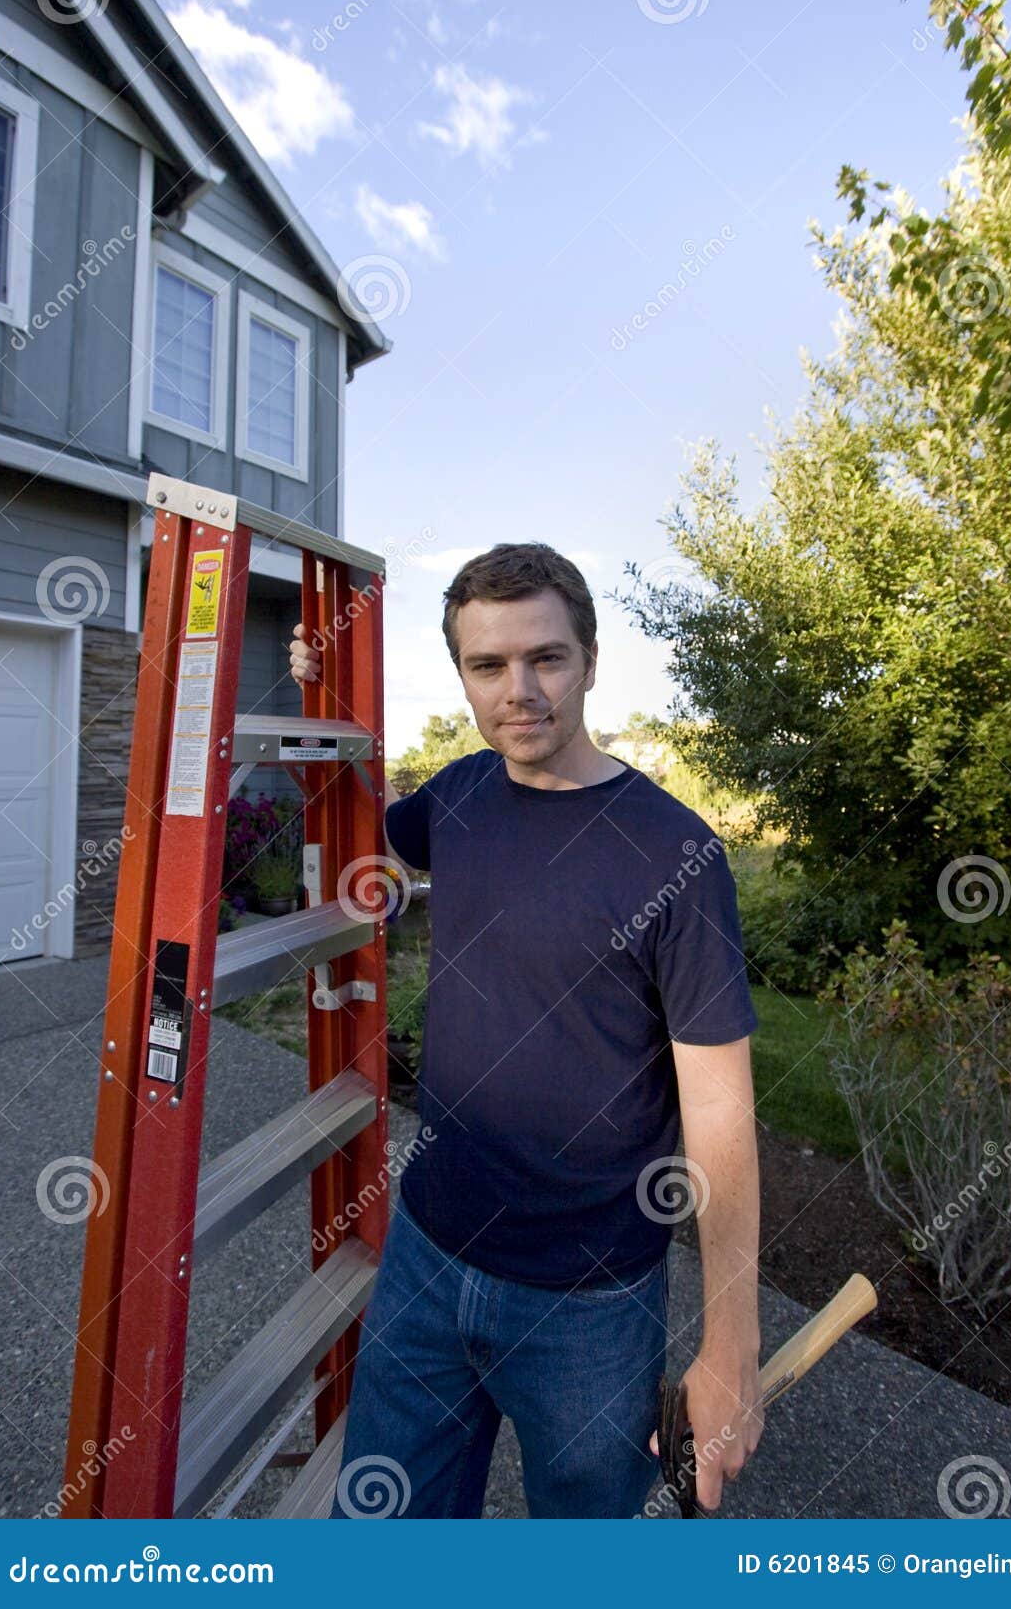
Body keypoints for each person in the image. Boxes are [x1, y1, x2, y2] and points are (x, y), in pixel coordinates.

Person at [290, 542, 764, 1519]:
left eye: (545, 658)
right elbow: (355, 820)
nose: (520, 690)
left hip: (585, 1301)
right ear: (462, 674)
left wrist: (730, 1348)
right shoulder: (460, 795)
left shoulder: (674, 855)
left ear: (589, 658)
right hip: (427, 1253)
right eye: (488, 666)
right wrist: (316, 708)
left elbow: (718, 1107)